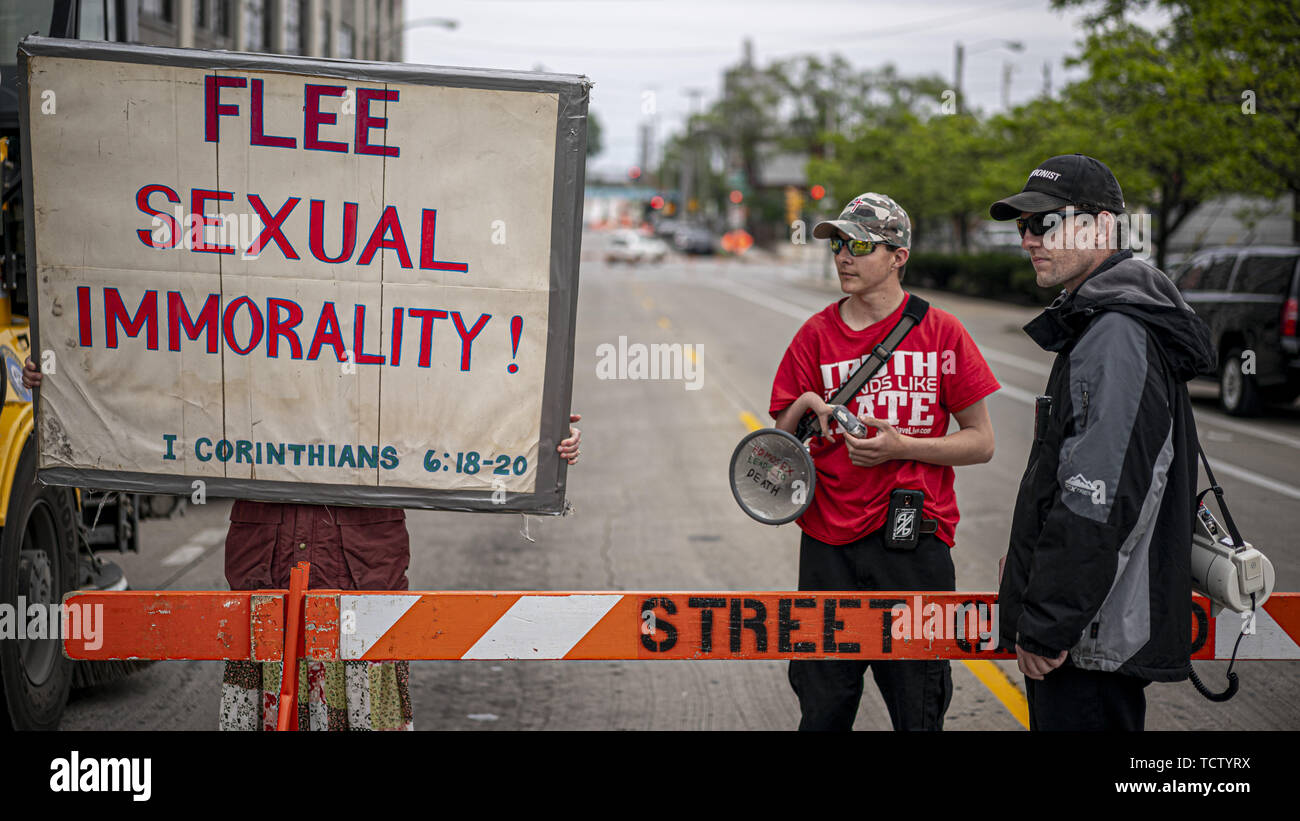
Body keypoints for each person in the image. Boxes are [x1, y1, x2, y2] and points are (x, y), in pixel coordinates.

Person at [22, 357, 582, 730]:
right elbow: (162, 380)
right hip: (265, 594)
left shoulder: (399, 352)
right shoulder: (244, 347)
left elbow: (464, 401)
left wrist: (536, 433)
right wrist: (70, 382)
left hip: (361, 596)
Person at [989, 154, 1214, 731]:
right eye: (1022, 226)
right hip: (1089, 629)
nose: (1028, 240)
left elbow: (1097, 499)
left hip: (1088, 638)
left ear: (1099, 226)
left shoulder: (1116, 334)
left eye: (1044, 223)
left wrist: (1048, 621)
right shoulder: (1102, 322)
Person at [770, 192, 1000, 731]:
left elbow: (982, 441)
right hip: (828, 543)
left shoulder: (941, 332)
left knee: (917, 705)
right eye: (838, 245)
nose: (843, 256)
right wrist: (804, 407)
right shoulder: (816, 335)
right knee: (823, 704)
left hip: (915, 539)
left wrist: (904, 447)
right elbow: (774, 452)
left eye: (858, 245)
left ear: (898, 255)